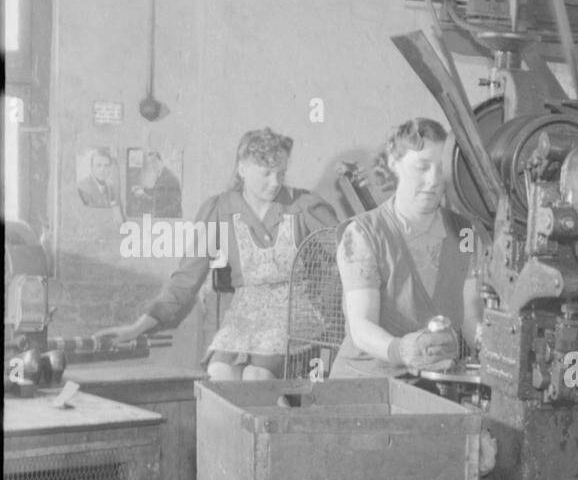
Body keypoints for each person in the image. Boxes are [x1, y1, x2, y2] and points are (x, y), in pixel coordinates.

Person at [95, 128, 337, 380]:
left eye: (281, 173)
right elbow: (186, 279)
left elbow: (348, 255)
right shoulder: (220, 209)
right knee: (219, 372)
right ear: (242, 169)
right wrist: (138, 327)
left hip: (296, 316)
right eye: (266, 173)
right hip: (246, 317)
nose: (275, 182)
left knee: (257, 376)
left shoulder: (304, 207)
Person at [330, 118, 482, 379]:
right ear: (394, 163)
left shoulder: (465, 232)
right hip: (366, 383)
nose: (434, 180)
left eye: (441, 168)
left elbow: (470, 315)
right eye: (422, 167)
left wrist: (490, 347)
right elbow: (362, 326)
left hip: (432, 383)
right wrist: (401, 350)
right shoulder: (362, 235)